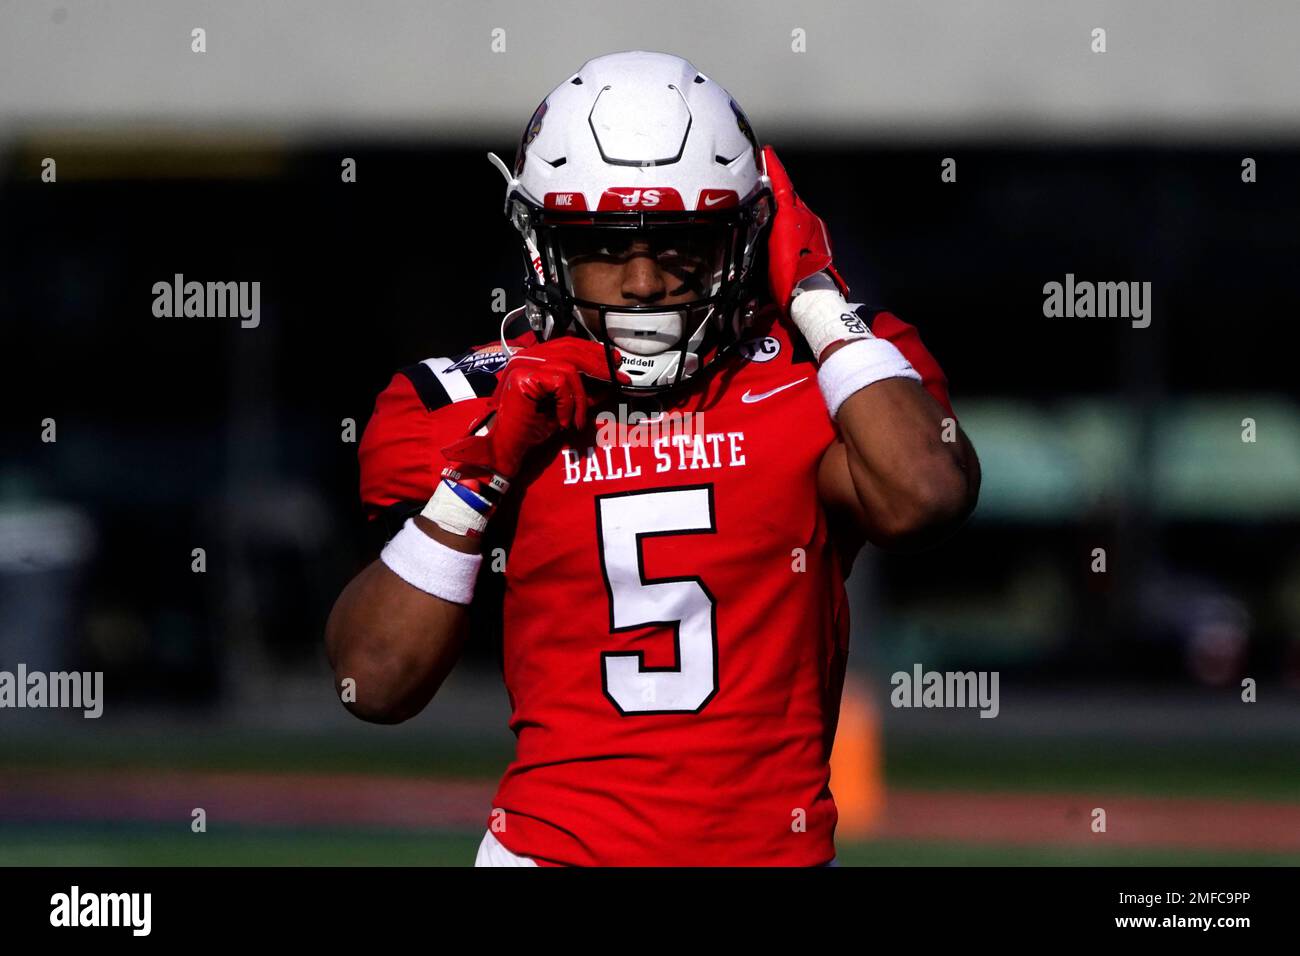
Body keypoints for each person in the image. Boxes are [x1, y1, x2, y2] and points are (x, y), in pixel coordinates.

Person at [326, 50, 980, 866]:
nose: (641, 282)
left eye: (680, 244)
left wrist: (815, 294)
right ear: (544, 244)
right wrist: (479, 473)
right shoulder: (459, 400)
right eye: (603, 244)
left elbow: (927, 496)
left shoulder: (829, 364)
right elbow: (374, 681)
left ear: (747, 238)